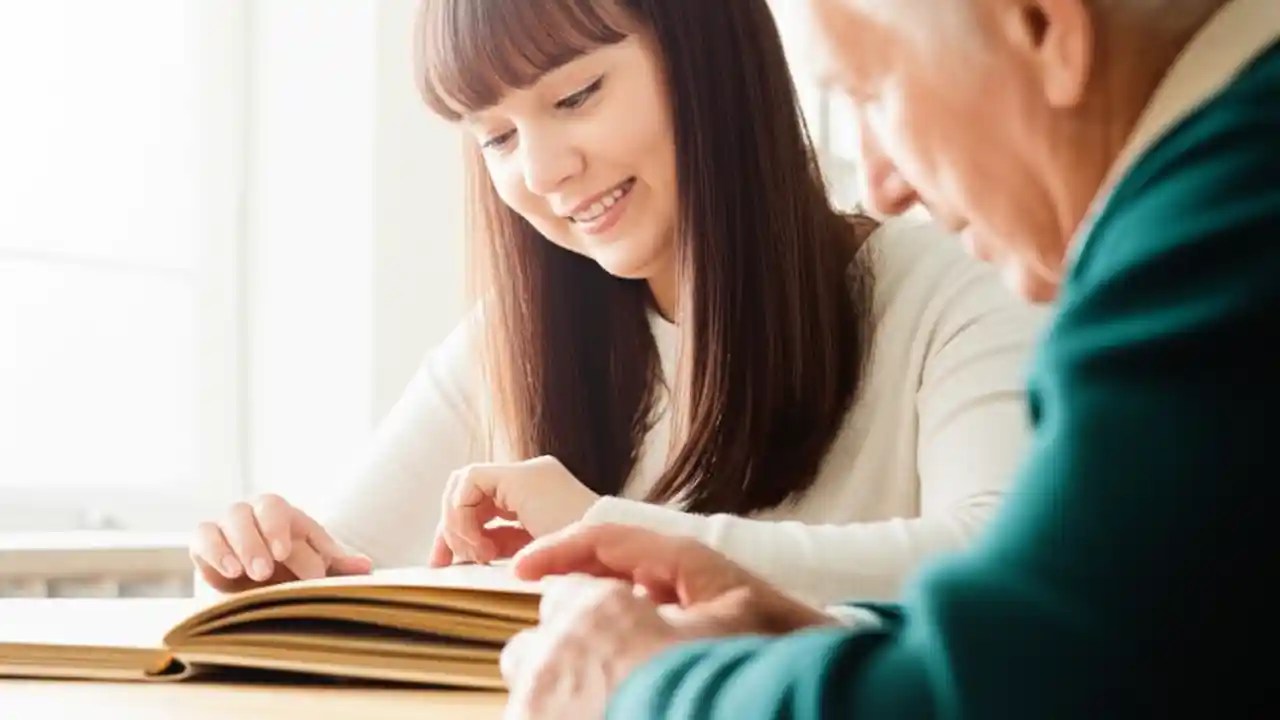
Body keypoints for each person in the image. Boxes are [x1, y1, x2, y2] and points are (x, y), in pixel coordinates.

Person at [496, 0, 1280, 717]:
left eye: (872, 94)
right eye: (495, 136)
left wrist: (644, 688)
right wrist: (827, 637)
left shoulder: (1221, 237)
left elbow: (1011, 691)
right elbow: (1114, 637)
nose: (881, 185)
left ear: (1043, 25)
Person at [187, 0, 1045, 608]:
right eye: (497, 137)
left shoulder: (947, 283)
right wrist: (261, 578)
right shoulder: (507, 346)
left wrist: (613, 537)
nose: (542, 171)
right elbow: (340, 573)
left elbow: (1008, 563)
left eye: (575, 97)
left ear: (707, 57)